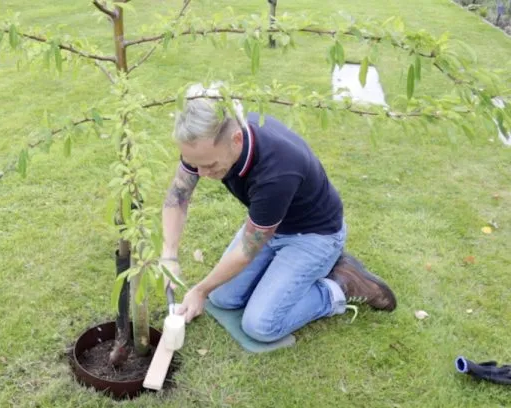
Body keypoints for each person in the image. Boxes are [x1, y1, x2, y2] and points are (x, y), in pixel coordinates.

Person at [159, 82, 397, 343]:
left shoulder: (278, 170)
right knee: (223, 298)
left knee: (260, 325)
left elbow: (248, 250)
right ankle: (281, 274)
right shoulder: (205, 142)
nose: (201, 174)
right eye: (195, 164)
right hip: (269, 225)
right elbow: (178, 195)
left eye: (209, 165)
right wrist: (169, 254)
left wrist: (200, 290)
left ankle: (340, 285)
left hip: (314, 236)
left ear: (236, 139)